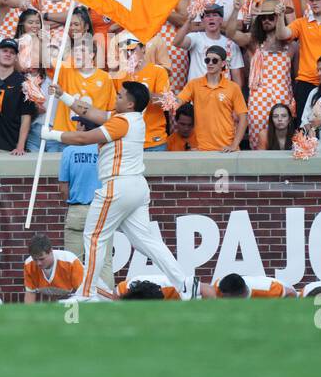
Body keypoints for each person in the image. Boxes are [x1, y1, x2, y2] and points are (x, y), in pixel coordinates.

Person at [42, 81, 193, 302]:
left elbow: (84, 138)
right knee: (146, 241)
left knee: (94, 237)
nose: (117, 97)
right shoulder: (129, 118)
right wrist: (63, 95)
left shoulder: (121, 122)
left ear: (130, 104)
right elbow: (89, 112)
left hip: (118, 186)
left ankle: (86, 292)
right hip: (136, 187)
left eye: (121, 96)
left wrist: (52, 135)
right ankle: (185, 284)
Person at [177, 45, 248, 152]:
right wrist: (169, 101)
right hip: (202, 149)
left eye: (214, 60)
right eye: (207, 60)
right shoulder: (194, 84)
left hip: (226, 149)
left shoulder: (233, 87)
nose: (210, 63)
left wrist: (234, 145)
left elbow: (243, 118)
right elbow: (178, 101)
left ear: (223, 63)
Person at [57, 118, 100, 256]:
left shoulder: (69, 151)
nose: (75, 127)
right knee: (103, 261)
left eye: (78, 123)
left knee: (73, 262)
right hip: (100, 209)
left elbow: (63, 187)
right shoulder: (104, 149)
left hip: (77, 209)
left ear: (82, 126)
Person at [23, 234, 84, 303]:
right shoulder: (29, 264)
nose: (38, 263)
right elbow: (30, 293)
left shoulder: (70, 261)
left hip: (94, 293)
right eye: (35, 259)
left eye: (42, 259)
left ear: (51, 251)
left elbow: (83, 294)